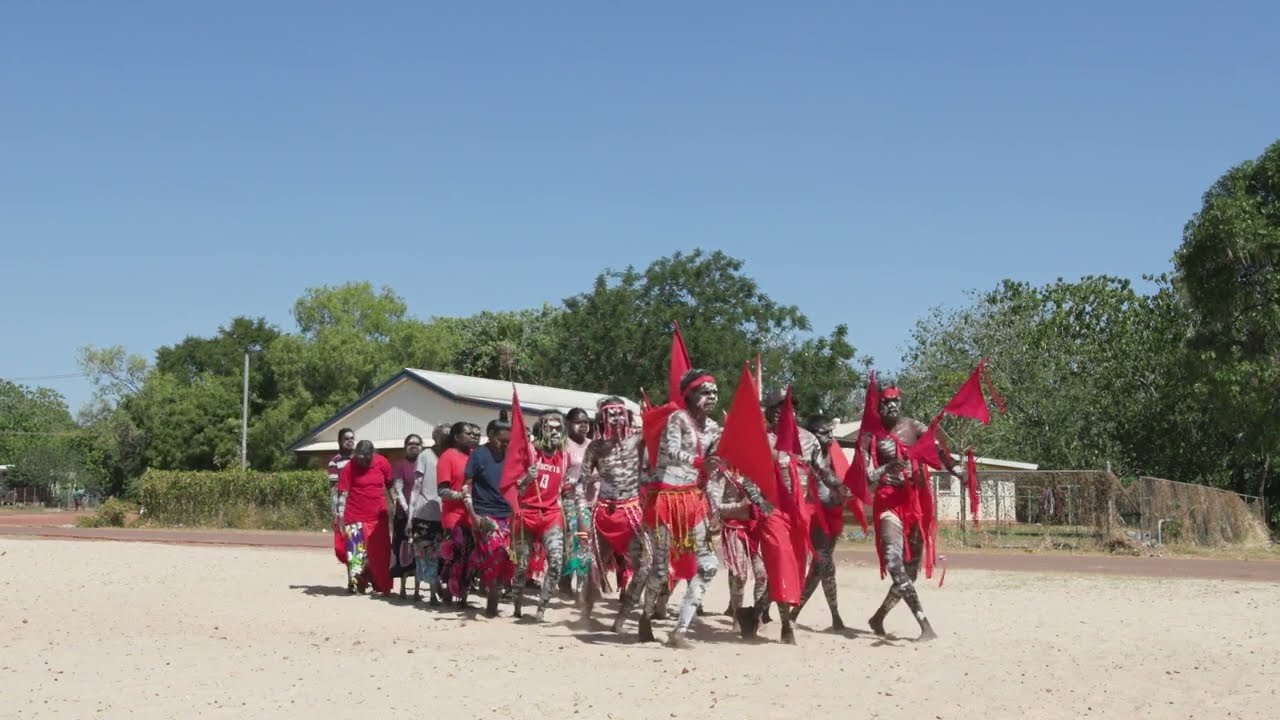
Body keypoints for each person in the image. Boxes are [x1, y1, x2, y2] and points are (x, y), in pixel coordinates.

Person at [860, 385, 959, 641]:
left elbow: (936, 448)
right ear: (878, 406)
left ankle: (878, 617)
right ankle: (924, 624)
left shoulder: (915, 427)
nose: (892, 405)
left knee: (910, 571)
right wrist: (888, 468)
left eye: (895, 401)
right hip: (888, 502)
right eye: (886, 402)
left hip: (914, 502)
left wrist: (957, 471)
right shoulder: (870, 437)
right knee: (895, 563)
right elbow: (865, 476)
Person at [638, 368, 721, 648]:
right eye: (705, 391)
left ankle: (680, 630)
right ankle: (645, 617)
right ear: (690, 394)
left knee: (709, 565)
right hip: (667, 500)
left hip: (693, 502)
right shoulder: (677, 419)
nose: (712, 396)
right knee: (660, 570)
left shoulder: (714, 429)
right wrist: (700, 463)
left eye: (715, 392)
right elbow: (672, 451)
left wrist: (715, 508)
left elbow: (713, 471)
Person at [792, 414, 850, 631]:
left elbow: (841, 481)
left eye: (831, 432)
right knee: (824, 565)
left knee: (820, 568)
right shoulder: (808, 457)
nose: (830, 437)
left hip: (831, 516)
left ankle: (795, 613)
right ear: (813, 436)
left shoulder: (834, 456)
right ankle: (834, 616)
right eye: (824, 433)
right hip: (814, 517)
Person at [512, 412, 571, 621]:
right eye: (549, 427)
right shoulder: (528, 451)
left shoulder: (565, 456)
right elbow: (514, 487)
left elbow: (566, 488)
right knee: (521, 564)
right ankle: (517, 605)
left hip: (551, 514)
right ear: (541, 430)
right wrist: (528, 478)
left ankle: (541, 609)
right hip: (526, 513)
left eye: (558, 428)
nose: (554, 431)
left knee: (556, 562)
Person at [706, 464, 767, 635]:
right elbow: (716, 505)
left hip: (755, 528)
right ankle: (737, 617)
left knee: (762, 575)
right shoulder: (721, 475)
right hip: (734, 527)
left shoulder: (756, 471)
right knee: (740, 575)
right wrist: (740, 505)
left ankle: (757, 615)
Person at [464, 418, 515, 618]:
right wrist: (474, 516)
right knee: (497, 555)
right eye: (501, 440)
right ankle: (491, 610)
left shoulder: (511, 455)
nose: (504, 444)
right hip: (485, 516)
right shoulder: (478, 455)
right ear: (491, 435)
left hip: (508, 515)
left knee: (507, 561)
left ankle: (489, 589)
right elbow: (466, 486)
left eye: (508, 441)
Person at [335, 440, 394, 595]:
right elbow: (343, 492)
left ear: (372, 454)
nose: (360, 461)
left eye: (364, 458)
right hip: (355, 516)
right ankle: (355, 584)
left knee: (381, 554)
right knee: (355, 554)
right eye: (358, 457)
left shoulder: (383, 463)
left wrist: (396, 503)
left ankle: (380, 584)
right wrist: (340, 515)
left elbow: (390, 486)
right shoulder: (350, 466)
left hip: (378, 518)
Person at [436, 422, 480, 606]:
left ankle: (463, 596)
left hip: (473, 514)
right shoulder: (448, 457)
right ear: (456, 437)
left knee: (471, 556)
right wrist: (462, 496)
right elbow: (442, 490)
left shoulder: (474, 456)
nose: (471, 436)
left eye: (473, 433)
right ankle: (447, 591)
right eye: (467, 433)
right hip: (453, 515)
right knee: (454, 556)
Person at [408, 423, 450, 604]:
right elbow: (416, 487)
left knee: (439, 555)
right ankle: (425, 592)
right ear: (437, 437)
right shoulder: (425, 455)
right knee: (422, 554)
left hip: (444, 514)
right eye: (446, 434)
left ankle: (436, 589)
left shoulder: (450, 456)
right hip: (424, 513)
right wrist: (410, 516)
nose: (449, 437)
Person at [560, 407, 594, 596]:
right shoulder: (563, 445)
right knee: (573, 541)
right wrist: (576, 482)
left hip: (592, 501)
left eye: (586, 422)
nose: (583, 426)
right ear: (569, 423)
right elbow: (560, 474)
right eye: (579, 422)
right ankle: (565, 579)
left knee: (585, 542)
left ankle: (582, 583)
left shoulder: (594, 445)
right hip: (570, 501)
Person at [389, 434, 423, 588]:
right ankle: (402, 582)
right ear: (405, 446)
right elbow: (398, 489)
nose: (414, 445)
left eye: (417, 443)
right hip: (404, 514)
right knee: (402, 548)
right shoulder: (400, 465)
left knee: (422, 549)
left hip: (423, 514)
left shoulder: (425, 464)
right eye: (410, 443)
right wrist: (409, 510)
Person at [328, 428, 357, 582]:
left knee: (359, 545)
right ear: (340, 441)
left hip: (360, 506)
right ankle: (353, 578)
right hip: (344, 507)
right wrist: (335, 512)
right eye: (346, 438)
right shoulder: (335, 461)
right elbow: (333, 488)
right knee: (345, 547)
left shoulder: (360, 459)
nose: (350, 441)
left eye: (352, 438)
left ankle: (357, 579)